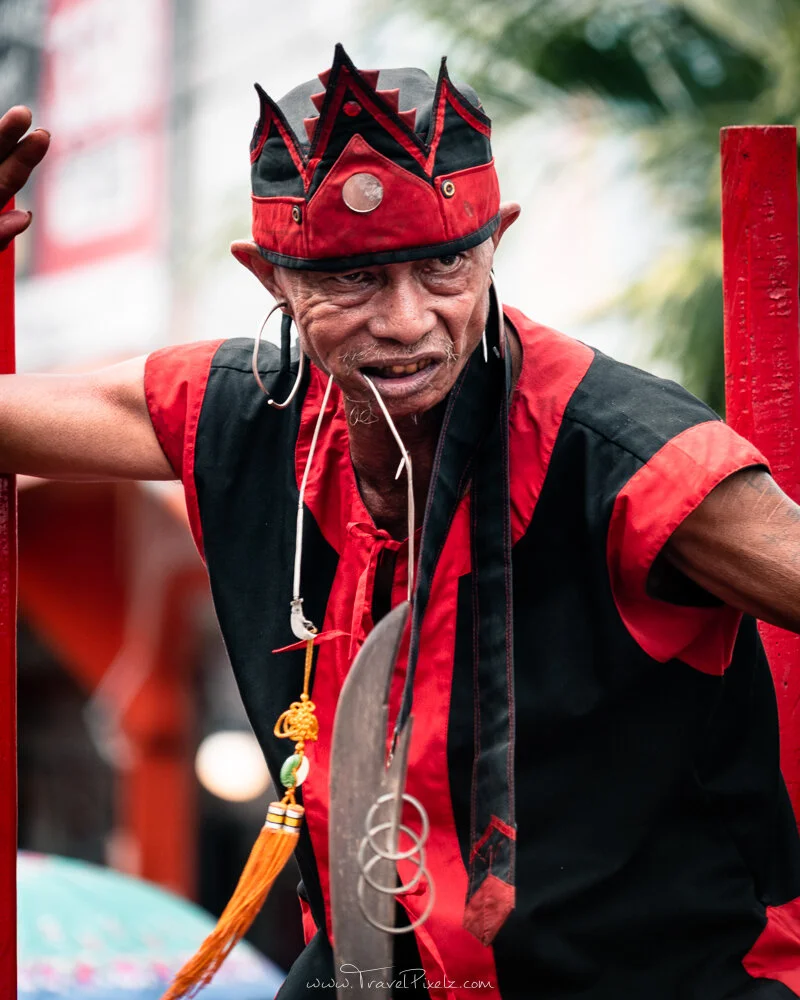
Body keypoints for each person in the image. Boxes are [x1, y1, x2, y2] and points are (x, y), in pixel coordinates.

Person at [5, 43, 800, 1000]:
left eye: (444, 268)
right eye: (354, 282)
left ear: (494, 240)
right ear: (272, 281)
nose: (409, 321)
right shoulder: (241, 413)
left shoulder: (625, 458)